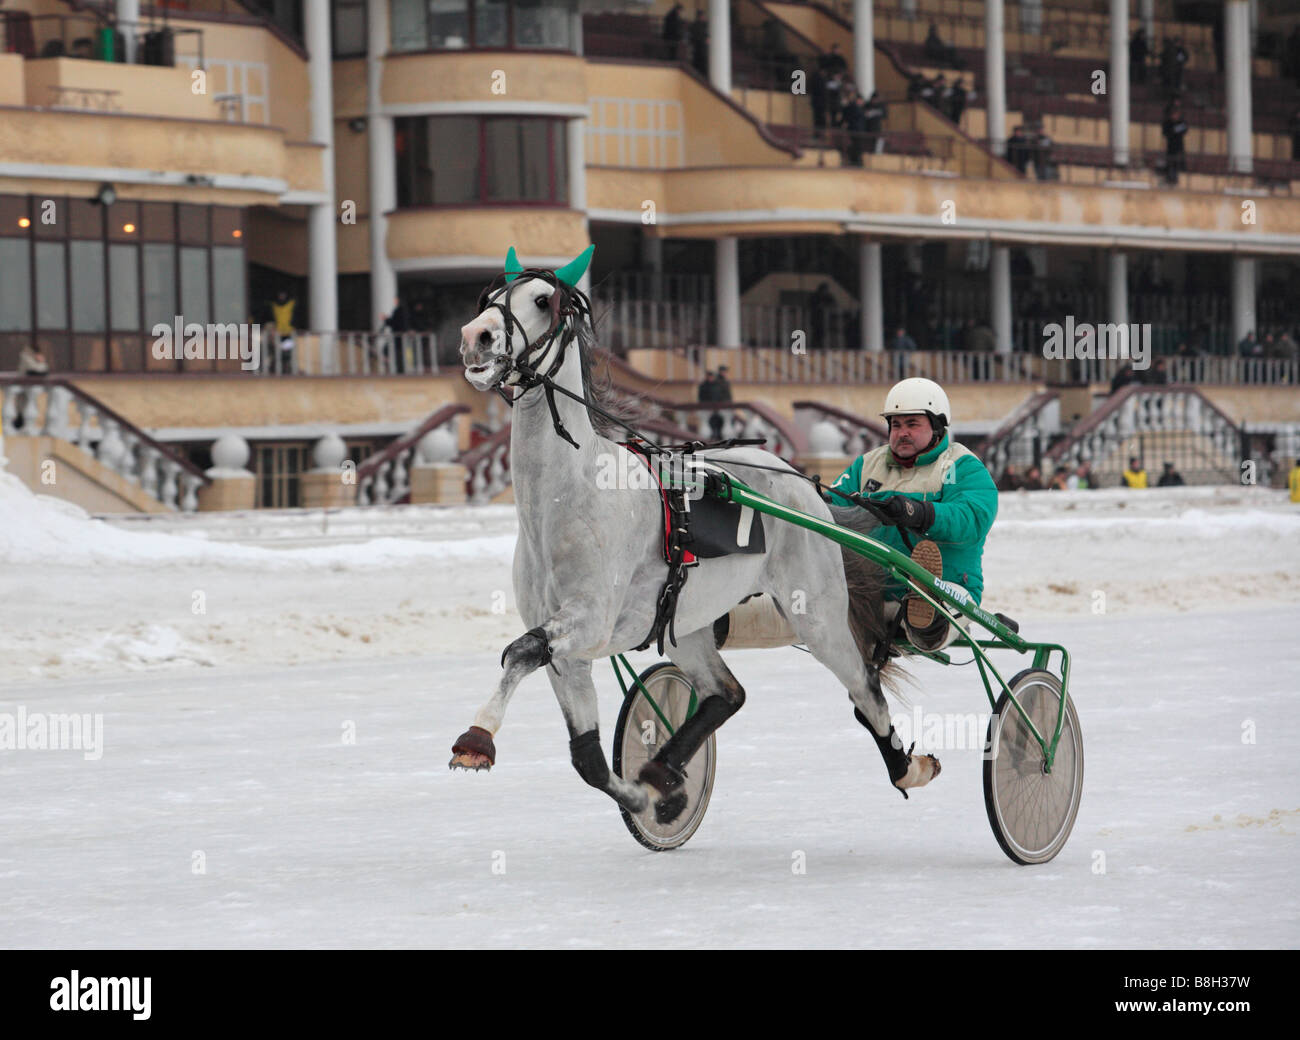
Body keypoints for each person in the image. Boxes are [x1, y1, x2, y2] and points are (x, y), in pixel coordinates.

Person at [826, 378, 998, 653]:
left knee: (927, 623)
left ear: (938, 427)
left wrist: (917, 512)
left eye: (912, 424)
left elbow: (972, 519)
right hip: (869, 593)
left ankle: (926, 607)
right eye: (896, 425)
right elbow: (830, 504)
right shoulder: (867, 465)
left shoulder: (961, 466)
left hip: (950, 588)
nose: (901, 433)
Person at [1162, 102, 1188, 185]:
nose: (1175, 116)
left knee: (1179, 163)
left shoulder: (1181, 122)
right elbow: (1167, 133)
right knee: (1170, 163)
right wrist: (1175, 130)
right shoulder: (1167, 123)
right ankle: (1170, 178)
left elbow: (1185, 129)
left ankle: (1176, 179)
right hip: (1170, 147)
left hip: (1179, 147)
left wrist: (1175, 130)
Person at [697, 369, 723, 440]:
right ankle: (712, 437)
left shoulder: (717, 385)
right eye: (709, 376)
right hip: (707, 408)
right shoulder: (703, 386)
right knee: (710, 423)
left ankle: (718, 436)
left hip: (717, 408)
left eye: (712, 376)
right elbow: (701, 397)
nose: (710, 378)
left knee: (718, 422)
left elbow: (720, 396)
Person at [689, 10, 708, 78]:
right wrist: (705, 39)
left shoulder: (696, 24)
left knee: (697, 61)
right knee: (701, 62)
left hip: (698, 47)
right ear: (701, 16)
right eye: (703, 16)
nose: (705, 17)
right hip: (700, 47)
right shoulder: (699, 25)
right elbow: (700, 36)